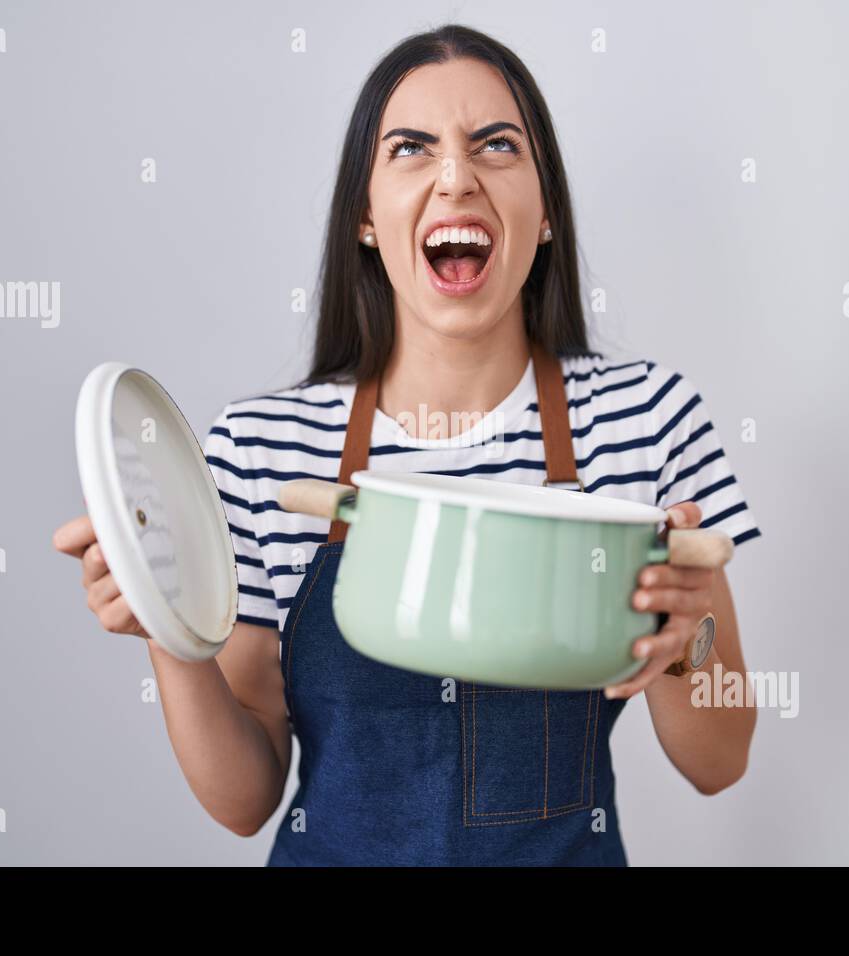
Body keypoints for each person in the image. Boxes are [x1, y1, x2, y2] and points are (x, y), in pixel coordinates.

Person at [53, 24, 761, 866]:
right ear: (364, 215)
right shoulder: (258, 450)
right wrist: (166, 625)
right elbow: (244, 800)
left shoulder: (647, 421)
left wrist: (687, 646)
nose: (456, 177)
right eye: (412, 149)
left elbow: (719, 763)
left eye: (497, 146)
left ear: (544, 216)